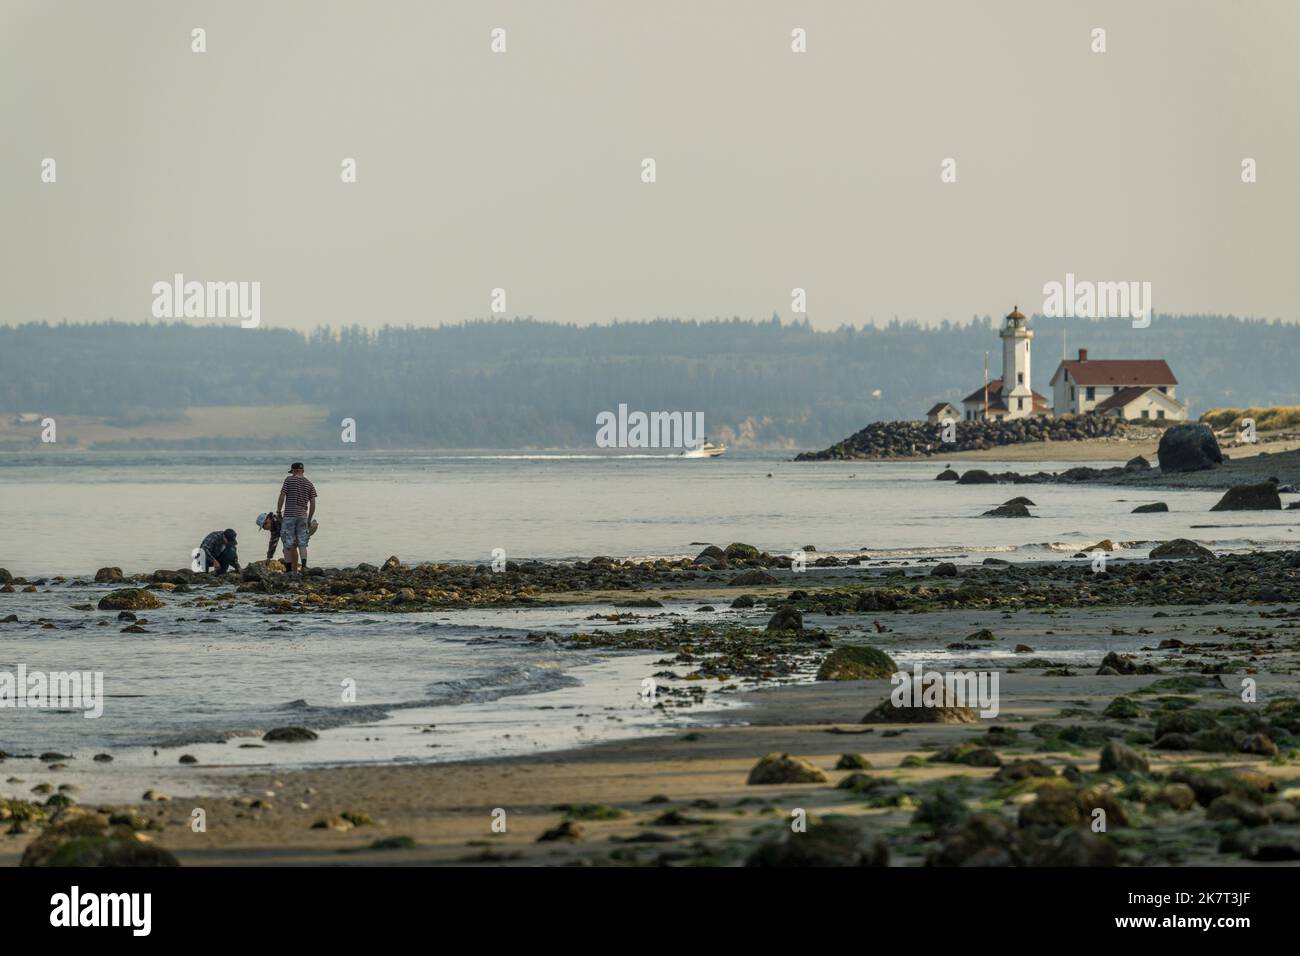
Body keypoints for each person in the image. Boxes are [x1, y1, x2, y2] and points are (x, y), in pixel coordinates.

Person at [275, 461, 317, 573]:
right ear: (302, 471)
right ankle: (303, 567)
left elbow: (282, 496)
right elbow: (313, 503)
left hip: (289, 515)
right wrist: (309, 518)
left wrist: (279, 511)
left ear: (293, 471)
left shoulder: (289, 480)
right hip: (303, 516)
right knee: (302, 543)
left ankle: (289, 570)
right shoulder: (309, 483)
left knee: (288, 543)